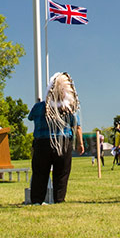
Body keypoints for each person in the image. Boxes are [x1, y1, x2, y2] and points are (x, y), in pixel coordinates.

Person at [28, 72, 84, 204]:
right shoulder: (69, 108)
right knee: (61, 173)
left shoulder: (39, 107)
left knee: (40, 172)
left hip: (41, 142)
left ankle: (37, 200)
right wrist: (80, 143)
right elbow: (77, 126)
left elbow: (30, 117)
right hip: (63, 141)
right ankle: (59, 199)